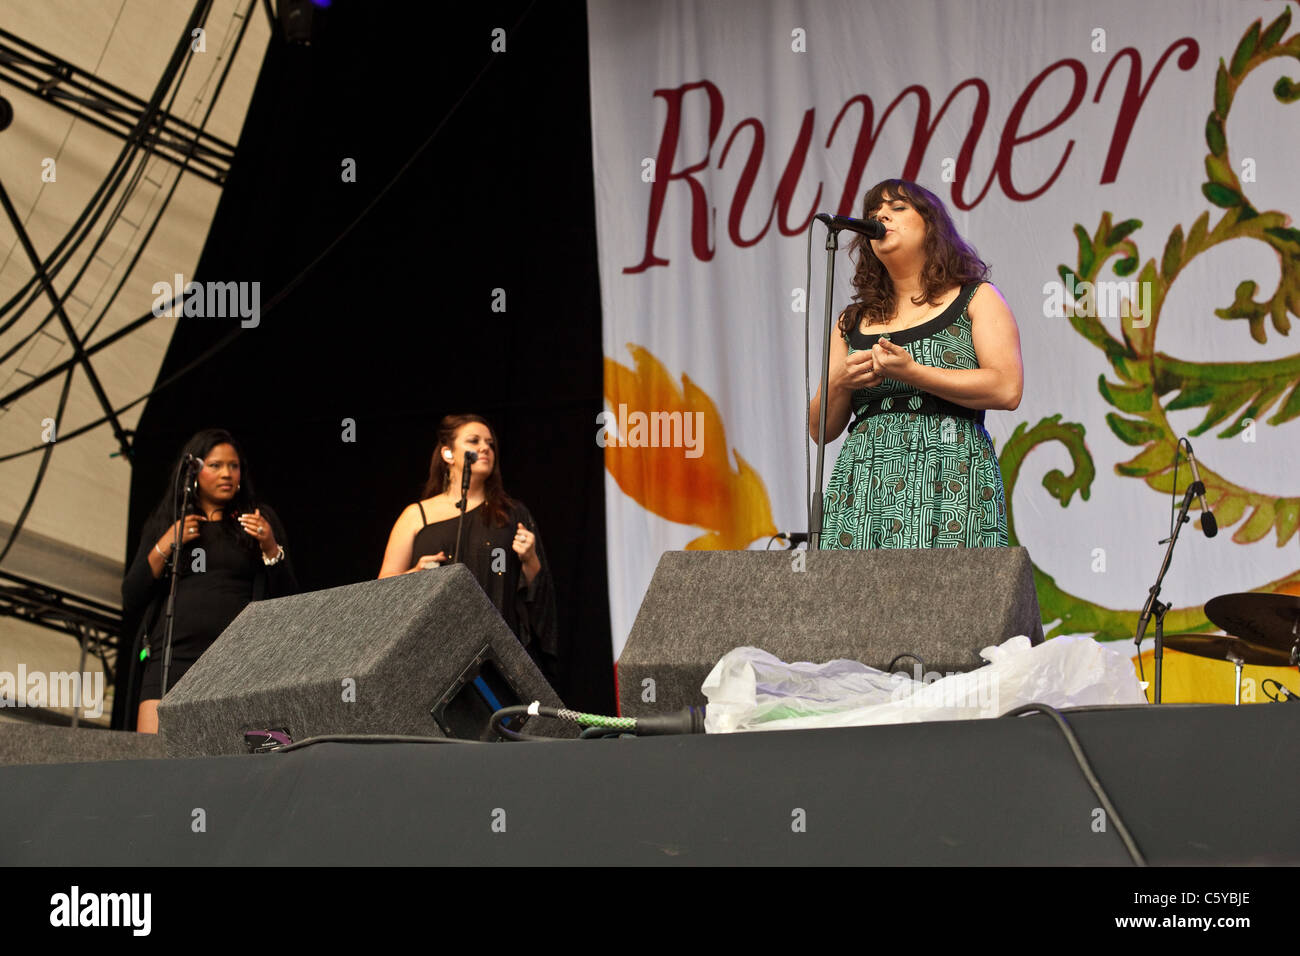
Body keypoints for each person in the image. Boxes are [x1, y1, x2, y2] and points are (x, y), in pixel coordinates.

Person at [808, 179, 1023, 550]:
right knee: (855, 603)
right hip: (864, 484)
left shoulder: (977, 298)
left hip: (951, 473)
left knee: (954, 599)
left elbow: (1007, 388)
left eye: (898, 208)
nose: (881, 217)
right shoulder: (851, 321)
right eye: (874, 214)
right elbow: (820, 430)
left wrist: (914, 374)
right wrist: (841, 382)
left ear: (931, 225)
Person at [123, 429, 297, 733]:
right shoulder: (168, 522)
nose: (227, 474)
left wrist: (270, 545)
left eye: (234, 466)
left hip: (235, 660)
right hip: (171, 657)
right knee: (150, 758)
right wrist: (166, 543)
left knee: (223, 755)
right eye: (215, 465)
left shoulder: (257, 519)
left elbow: (290, 598)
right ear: (194, 471)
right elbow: (132, 595)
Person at [378, 414, 560, 683]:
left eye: (490, 443)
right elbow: (381, 590)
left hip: (494, 652)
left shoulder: (511, 514)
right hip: (432, 651)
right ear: (448, 453)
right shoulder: (416, 515)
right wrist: (415, 574)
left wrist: (530, 558)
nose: (485, 448)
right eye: (474, 441)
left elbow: (537, 595)